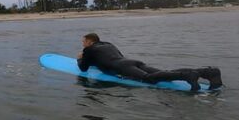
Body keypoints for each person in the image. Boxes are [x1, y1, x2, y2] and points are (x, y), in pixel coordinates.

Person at [77, 33, 222, 91]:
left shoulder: (89, 50)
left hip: (121, 67)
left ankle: (187, 75)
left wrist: (80, 58)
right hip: (132, 62)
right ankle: (208, 72)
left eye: (84, 41)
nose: (83, 44)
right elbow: (110, 57)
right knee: (163, 73)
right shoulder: (108, 44)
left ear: (89, 42)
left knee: (149, 79)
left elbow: (83, 69)